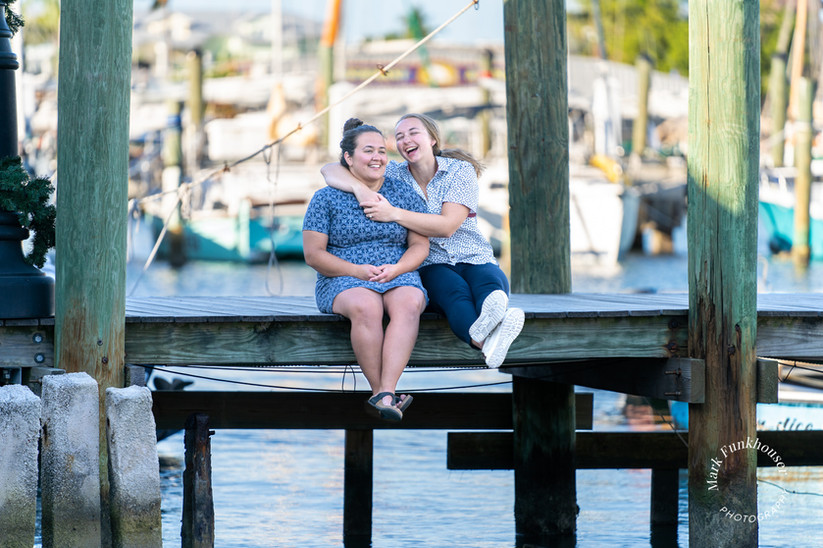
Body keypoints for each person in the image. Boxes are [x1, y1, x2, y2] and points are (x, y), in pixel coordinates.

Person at [321, 113, 523, 368]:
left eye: (413, 133)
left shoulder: (459, 171)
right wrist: (359, 188)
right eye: (400, 136)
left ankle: (490, 319)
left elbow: (447, 227)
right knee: (455, 294)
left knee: (489, 285)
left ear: (432, 139)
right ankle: (488, 339)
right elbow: (329, 169)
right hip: (431, 260)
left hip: (473, 254)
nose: (406, 140)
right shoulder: (393, 172)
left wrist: (393, 213)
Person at [303, 118, 429, 422]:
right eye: (368, 151)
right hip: (343, 275)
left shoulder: (403, 193)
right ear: (348, 158)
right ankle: (381, 392)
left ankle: (386, 392)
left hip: (396, 270)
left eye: (382, 151)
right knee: (366, 305)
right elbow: (313, 254)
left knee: (410, 302)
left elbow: (419, 246)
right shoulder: (325, 198)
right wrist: (357, 271)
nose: (378, 157)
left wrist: (398, 269)